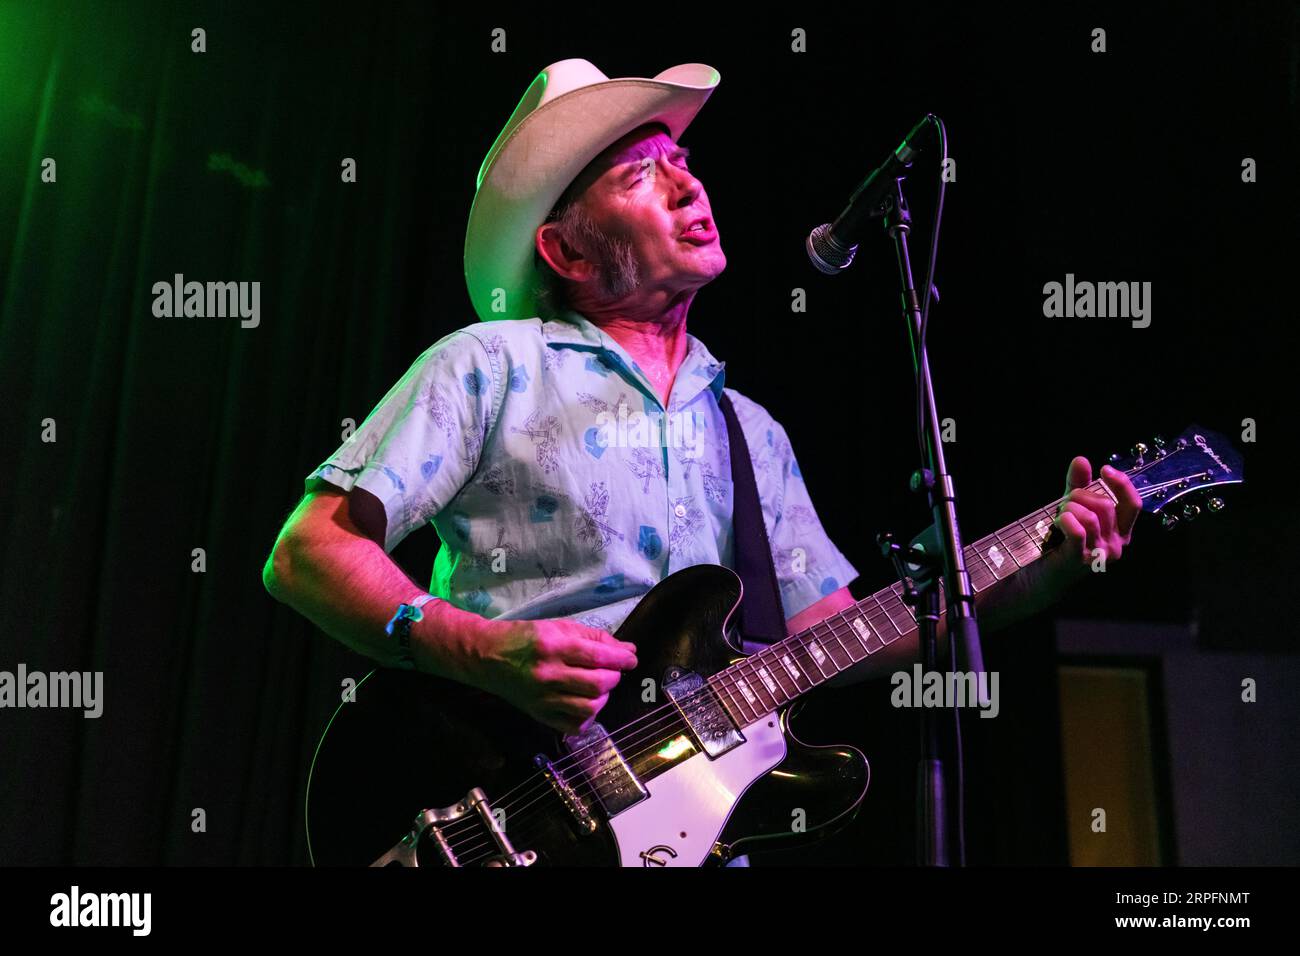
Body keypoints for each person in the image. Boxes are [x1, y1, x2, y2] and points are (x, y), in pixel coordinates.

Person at [262, 60, 1141, 861]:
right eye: (642, 173)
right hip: (494, 799)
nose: (687, 179)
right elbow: (308, 553)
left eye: (682, 160)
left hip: (692, 833)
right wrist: (487, 651)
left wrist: (1043, 572)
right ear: (565, 250)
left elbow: (831, 633)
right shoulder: (490, 365)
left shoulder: (747, 429)